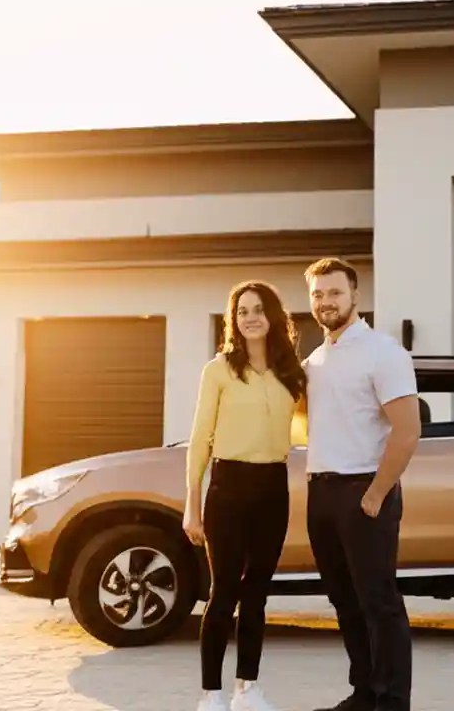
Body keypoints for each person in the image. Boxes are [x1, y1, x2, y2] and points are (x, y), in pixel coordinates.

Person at [301, 258, 422, 711]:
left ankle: (392, 701)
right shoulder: (315, 360)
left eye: (334, 292)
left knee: (379, 603)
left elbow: (407, 431)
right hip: (322, 493)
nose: (325, 302)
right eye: (317, 294)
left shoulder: (383, 352)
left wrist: (375, 494)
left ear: (355, 296)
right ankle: (364, 693)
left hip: (364, 491)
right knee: (345, 601)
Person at [183, 280, 307, 711]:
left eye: (258, 309)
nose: (250, 317)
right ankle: (210, 695)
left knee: (257, 593)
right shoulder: (218, 370)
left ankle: (247, 689)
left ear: (272, 316)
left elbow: (311, 428)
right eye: (241, 311)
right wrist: (191, 505)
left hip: (273, 487)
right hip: (228, 488)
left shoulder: (293, 372)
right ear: (233, 321)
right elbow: (200, 439)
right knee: (223, 594)